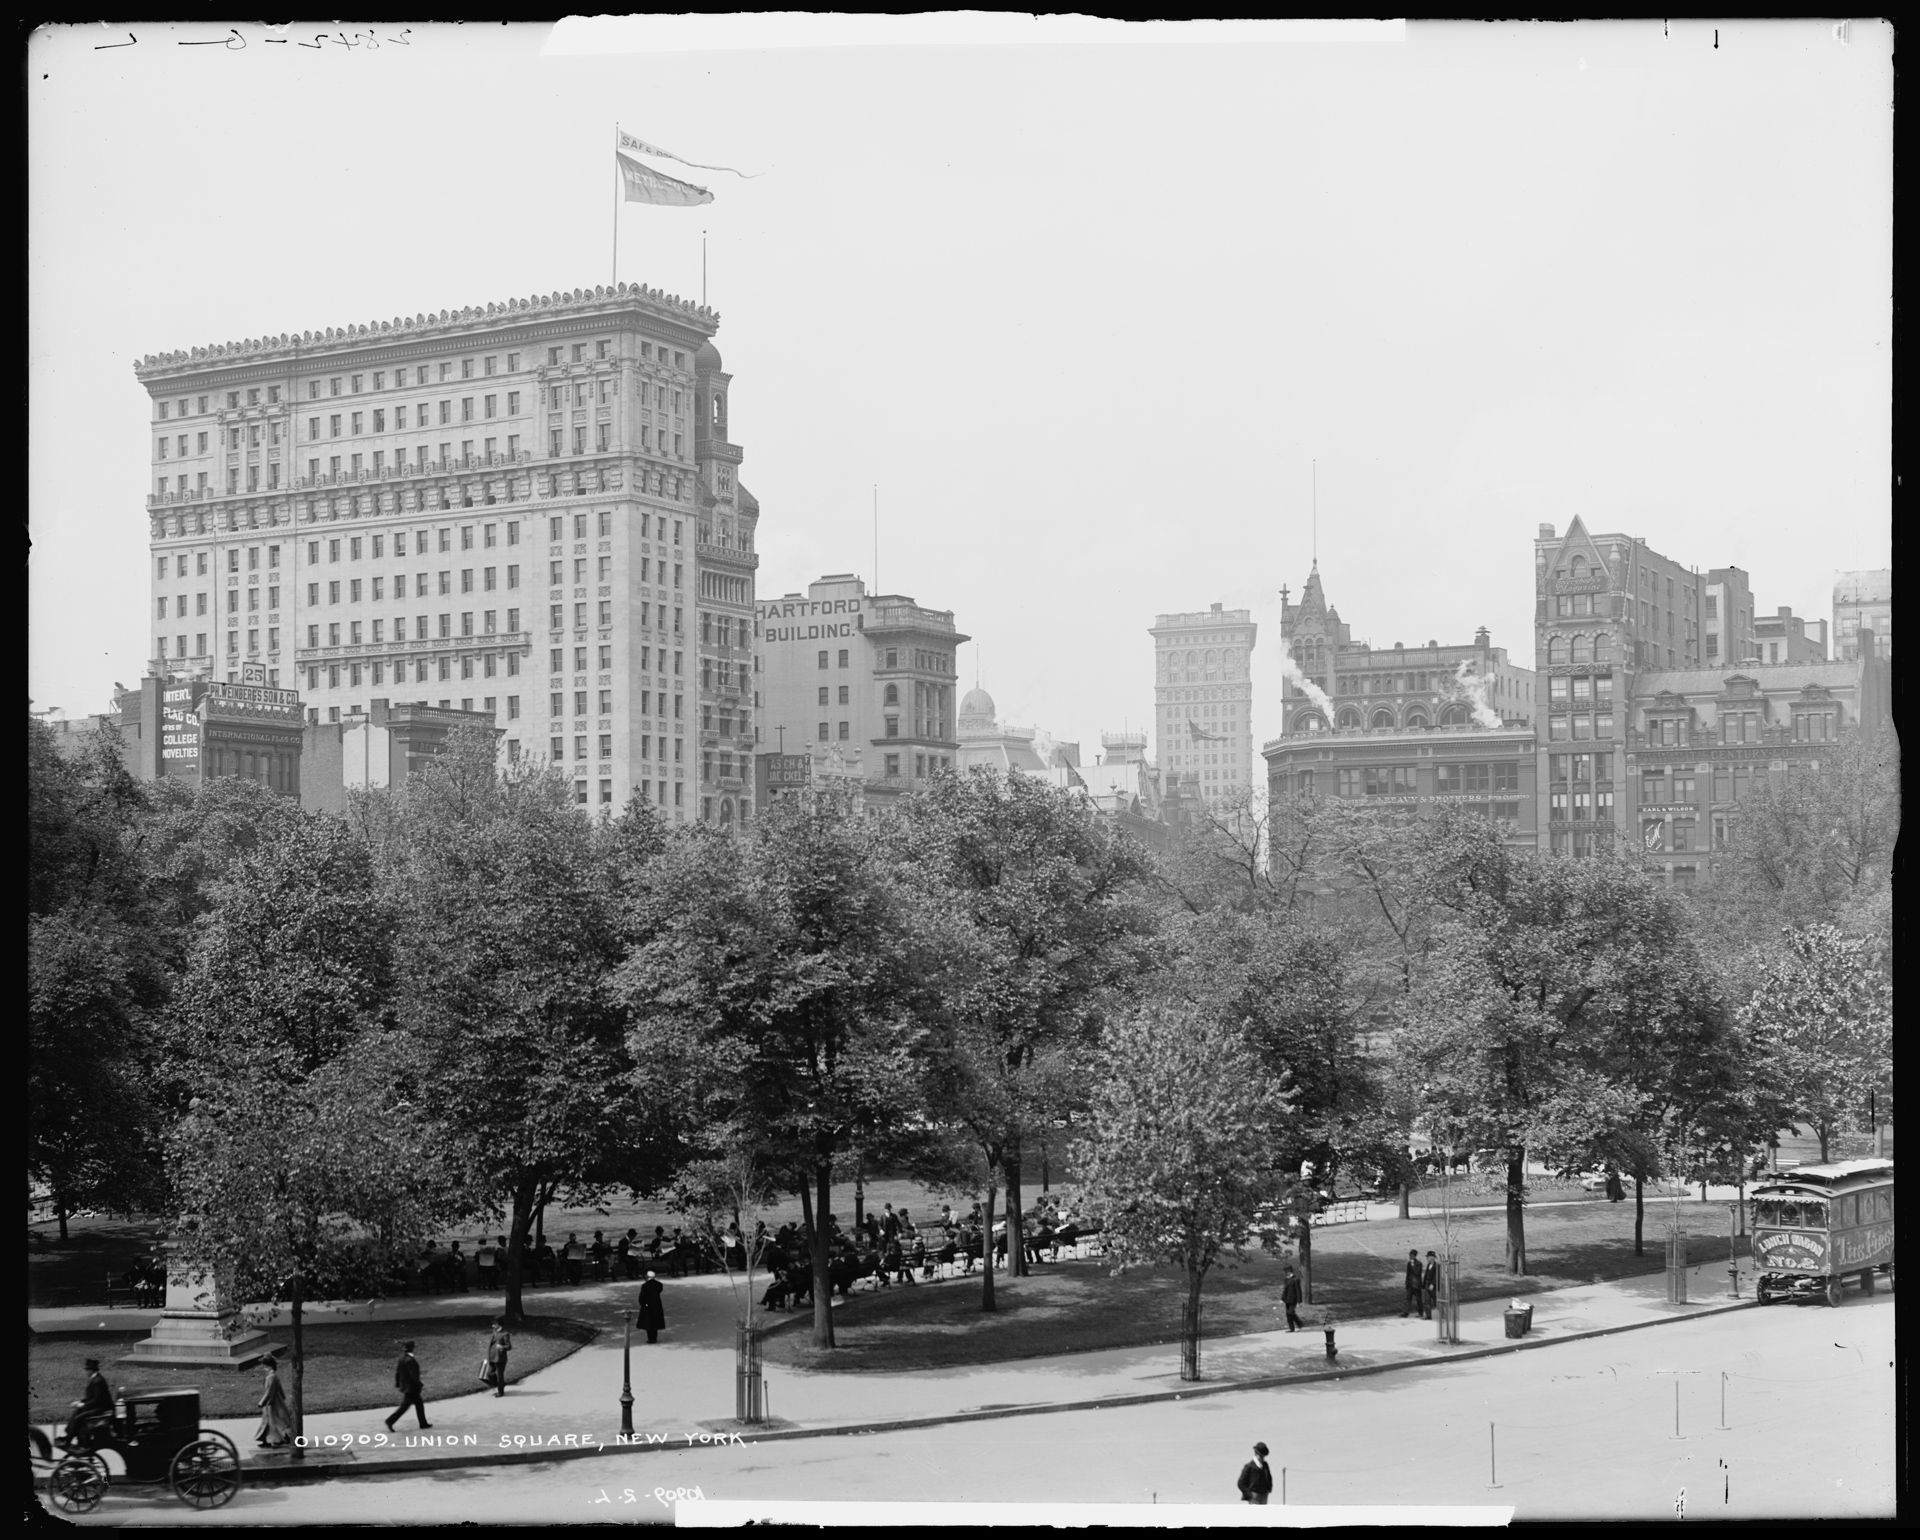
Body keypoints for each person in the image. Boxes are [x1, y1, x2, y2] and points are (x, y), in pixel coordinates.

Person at [62, 1358, 115, 1448]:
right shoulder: (95, 1379)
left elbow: (97, 1399)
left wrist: (84, 1404)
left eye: (87, 1370)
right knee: (77, 1411)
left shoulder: (98, 1381)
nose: (86, 1372)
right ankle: (69, 1435)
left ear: (91, 1370)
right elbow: (91, 1397)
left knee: (79, 1417)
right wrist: (80, 1402)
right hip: (98, 1406)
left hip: (102, 1408)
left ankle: (71, 1440)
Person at [384, 1341, 430, 1431]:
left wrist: (398, 1383)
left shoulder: (402, 1358)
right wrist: (419, 1384)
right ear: (412, 1348)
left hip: (406, 1386)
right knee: (405, 1406)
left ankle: (423, 1423)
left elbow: (398, 1372)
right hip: (411, 1388)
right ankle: (390, 1420)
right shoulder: (410, 1360)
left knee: (419, 1404)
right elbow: (413, 1375)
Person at [255, 1351, 294, 1448]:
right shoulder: (272, 1376)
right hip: (274, 1401)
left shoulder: (271, 1377)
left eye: (265, 1366)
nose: (264, 1368)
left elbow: (269, 1391)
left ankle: (283, 1438)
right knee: (271, 1421)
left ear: (269, 1366)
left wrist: (261, 1402)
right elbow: (279, 1389)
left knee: (276, 1421)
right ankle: (269, 1439)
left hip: (273, 1402)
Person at [485, 1318, 513, 1398]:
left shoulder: (505, 1334)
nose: (492, 1326)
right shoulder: (494, 1332)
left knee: (500, 1375)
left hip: (500, 1358)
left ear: (499, 1325)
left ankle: (500, 1391)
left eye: (494, 1324)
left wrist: (502, 1347)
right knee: (489, 1374)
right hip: (492, 1357)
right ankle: (500, 1384)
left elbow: (509, 1346)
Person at [638, 1271, 666, 1344]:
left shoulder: (645, 1285)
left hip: (647, 1304)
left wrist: (642, 1303)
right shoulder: (659, 1284)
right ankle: (655, 1338)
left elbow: (642, 1296)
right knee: (655, 1321)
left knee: (648, 1322)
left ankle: (650, 1338)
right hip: (657, 1304)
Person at [1281, 1266, 1303, 1332]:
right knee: (1288, 1314)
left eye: (1286, 1272)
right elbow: (1285, 1290)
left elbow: (1298, 1291)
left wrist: (1299, 1301)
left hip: (1293, 1299)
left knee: (1290, 1312)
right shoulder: (1286, 1279)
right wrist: (1282, 1299)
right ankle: (1291, 1328)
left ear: (1289, 1271)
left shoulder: (1295, 1279)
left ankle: (1299, 1323)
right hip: (1287, 1299)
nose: (1285, 1273)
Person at [1402, 1249, 1422, 1318]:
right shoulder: (1409, 1263)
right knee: (1407, 1298)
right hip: (1410, 1284)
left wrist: (1413, 1265)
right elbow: (1408, 1273)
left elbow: (1416, 1272)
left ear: (1414, 1256)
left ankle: (1421, 1312)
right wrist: (1406, 1281)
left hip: (1416, 1285)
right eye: (1409, 1255)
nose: (1410, 1257)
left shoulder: (1419, 1263)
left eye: (1411, 1255)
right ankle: (1406, 1312)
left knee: (1418, 1299)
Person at [1422, 1251, 1440, 1321]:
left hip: (1433, 1287)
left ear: (1432, 1257)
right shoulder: (1428, 1265)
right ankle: (1428, 1315)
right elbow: (1426, 1275)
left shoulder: (1437, 1266)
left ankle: (1443, 1313)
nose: (1427, 1258)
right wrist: (1424, 1284)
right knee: (1427, 1301)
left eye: (1428, 1257)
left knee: (1436, 1301)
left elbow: (1436, 1276)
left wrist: (1433, 1284)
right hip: (1427, 1285)